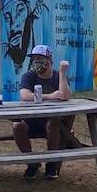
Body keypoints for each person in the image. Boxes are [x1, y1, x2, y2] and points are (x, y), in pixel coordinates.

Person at [12, 45, 72, 180]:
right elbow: (25, 95)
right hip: (31, 118)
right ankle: (32, 163)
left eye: (39, 59)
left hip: (51, 119)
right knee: (17, 126)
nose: (36, 62)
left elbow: (65, 96)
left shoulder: (57, 76)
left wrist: (63, 73)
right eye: (34, 59)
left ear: (49, 60)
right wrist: (50, 96)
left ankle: (51, 164)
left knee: (54, 124)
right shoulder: (29, 76)